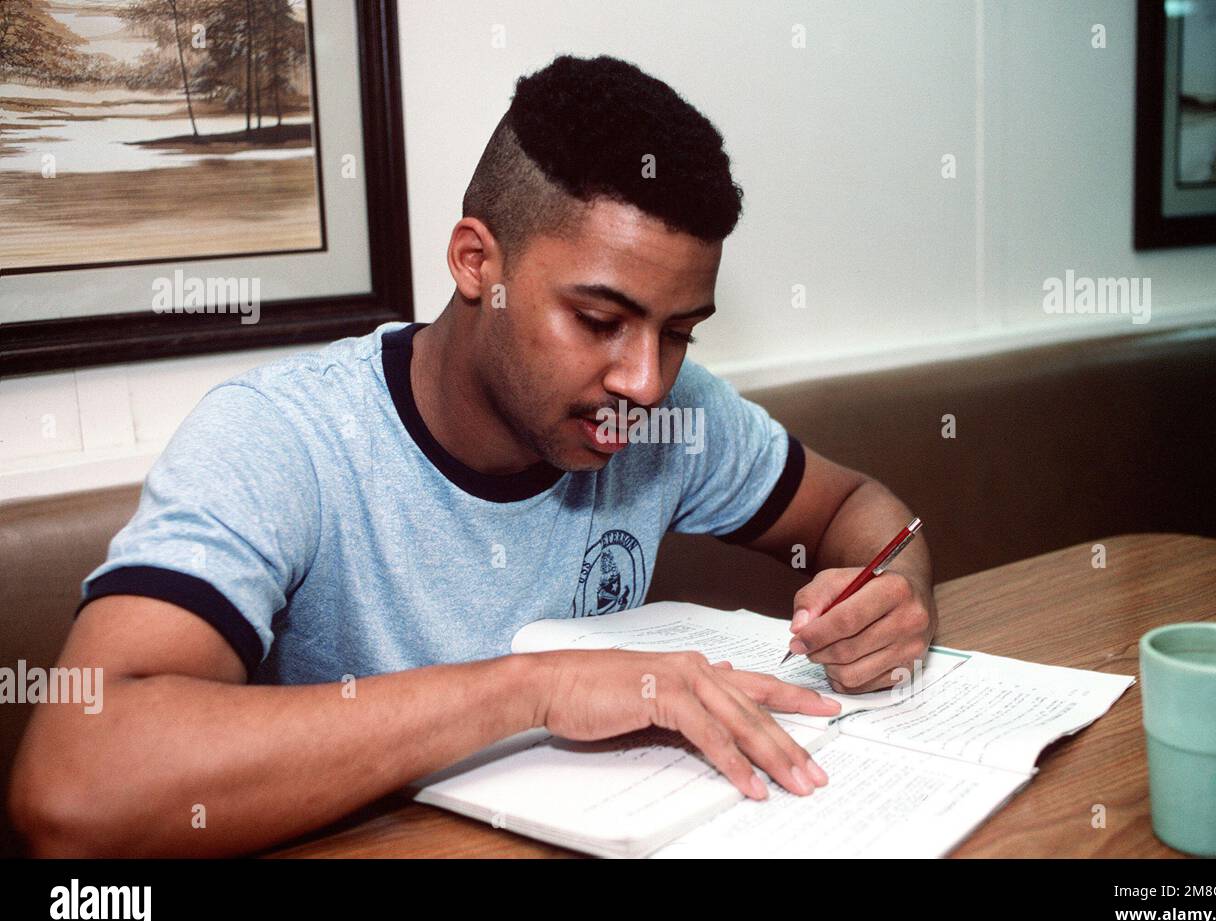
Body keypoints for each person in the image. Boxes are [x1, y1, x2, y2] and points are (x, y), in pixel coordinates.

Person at [9, 54, 935, 857]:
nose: (646, 382)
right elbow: (72, 789)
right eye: (600, 320)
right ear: (475, 263)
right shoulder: (280, 439)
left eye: (681, 331)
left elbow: (858, 505)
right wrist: (531, 690)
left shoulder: (667, 414)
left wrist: (892, 599)